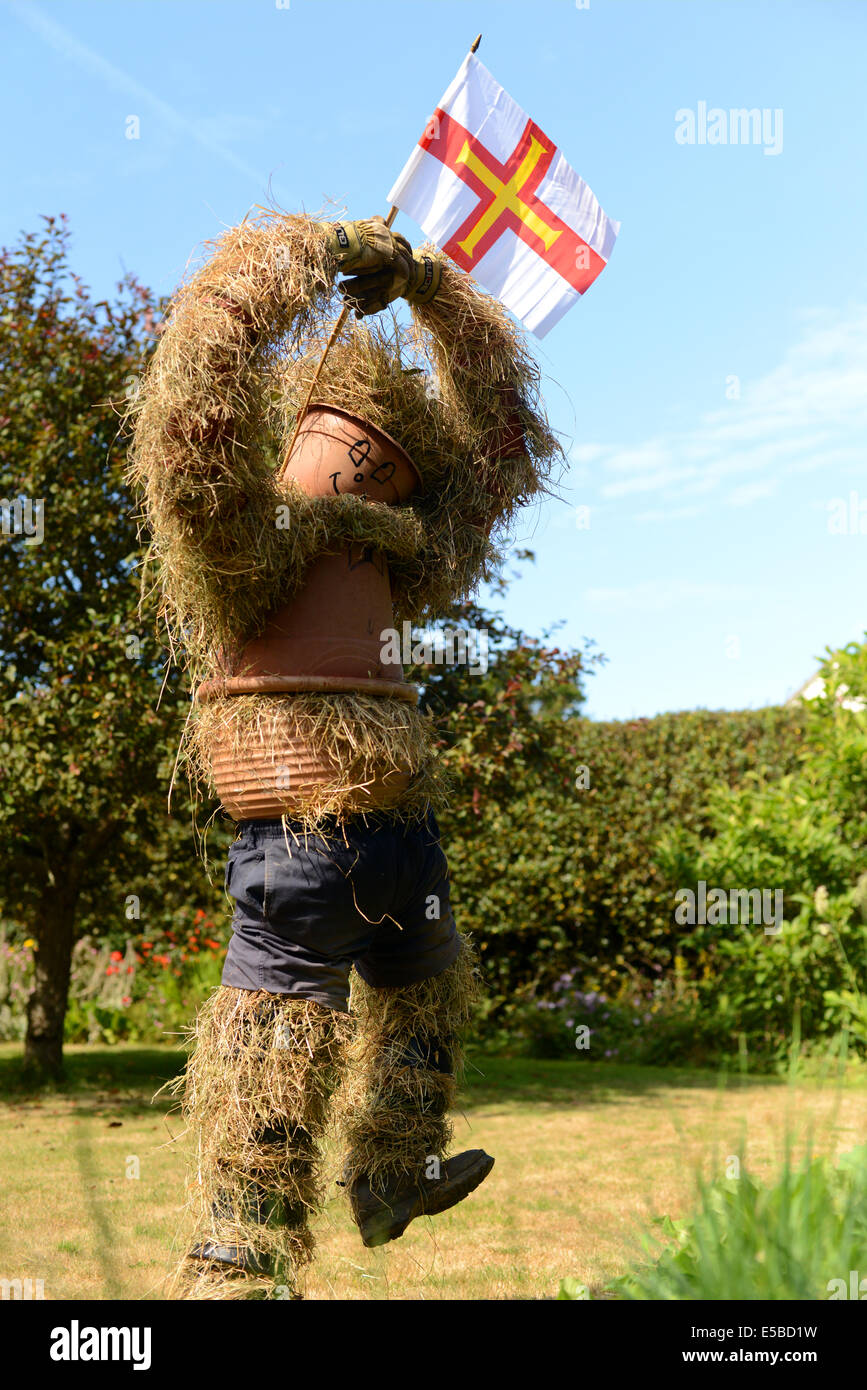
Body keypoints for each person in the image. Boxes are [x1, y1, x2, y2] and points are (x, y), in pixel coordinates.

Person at [130, 212, 558, 1297]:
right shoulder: (246, 547)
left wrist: (427, 287)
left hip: (402, 837)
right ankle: (237, 1257)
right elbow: (192, 415)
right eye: (351, 447)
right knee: (277, 1050)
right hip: (297, 837)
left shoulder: (405, 557)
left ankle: (392, 1171)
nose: (368, 470)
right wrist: (300, 258)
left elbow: (507, 444)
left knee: (425, 992)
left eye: (388, 464)